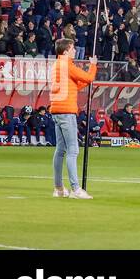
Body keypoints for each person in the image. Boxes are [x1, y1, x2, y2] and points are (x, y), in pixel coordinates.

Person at [49, 37, 96, 199]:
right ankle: (76, 189)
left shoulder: (56, 65)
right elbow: (88, 78)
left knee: (60, 150)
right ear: (66, 50)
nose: (75, 50)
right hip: (66, 110)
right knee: (73, 150)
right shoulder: (67, 65)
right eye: (73, 48)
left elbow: (76, 84)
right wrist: (93, 66)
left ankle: (58, 188)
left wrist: (87, 79)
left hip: (56, 110)